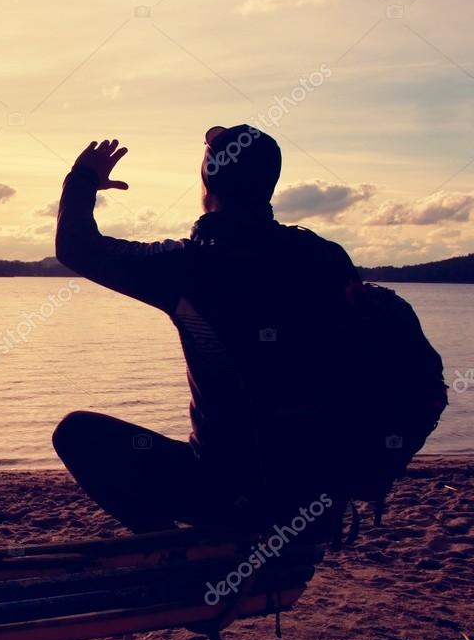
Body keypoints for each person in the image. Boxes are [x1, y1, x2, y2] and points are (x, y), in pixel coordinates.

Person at [52, 126, 361, 537]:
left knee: (77, 434)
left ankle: (170, 546)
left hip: (228, 494)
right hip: (317, 499)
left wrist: (83, 178)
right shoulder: (326, 258)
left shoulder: (189, 267)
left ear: (208, 180)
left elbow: (77, 247)